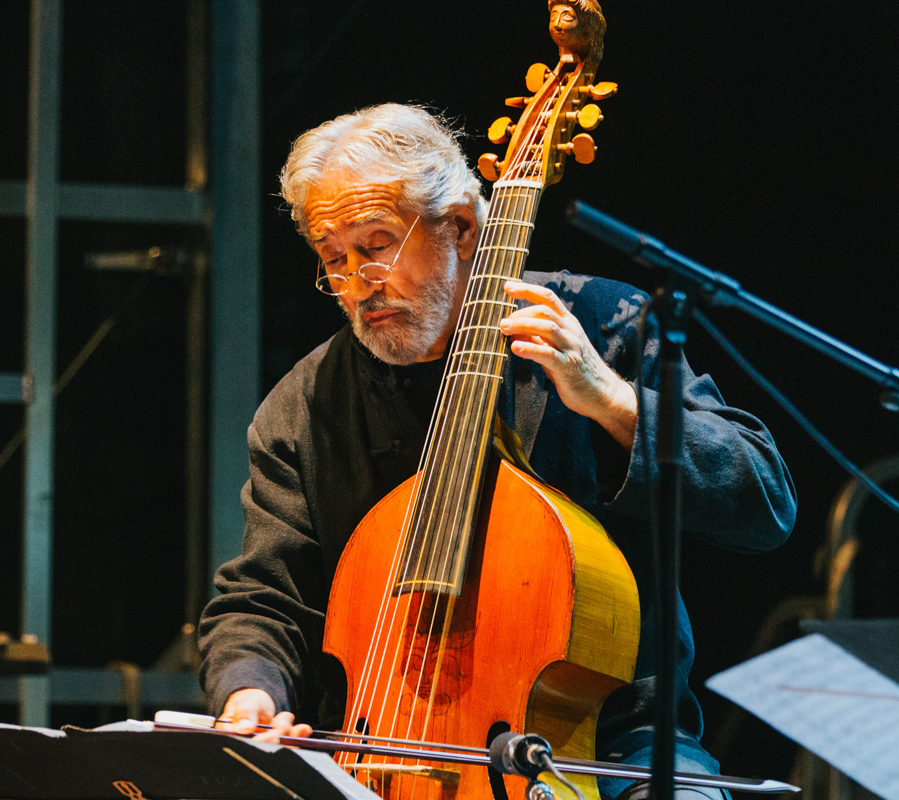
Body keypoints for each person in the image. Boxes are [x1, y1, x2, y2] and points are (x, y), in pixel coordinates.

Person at [198, 103, 796, 800]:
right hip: (379, 753)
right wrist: (249, 693)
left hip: (609, 748)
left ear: (462, 227)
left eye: (378, 244)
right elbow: (264, 599)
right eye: (334, 258)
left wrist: (609, 398)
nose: (358, 282)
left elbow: (766, 500)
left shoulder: (603, 326)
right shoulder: (305, 405)